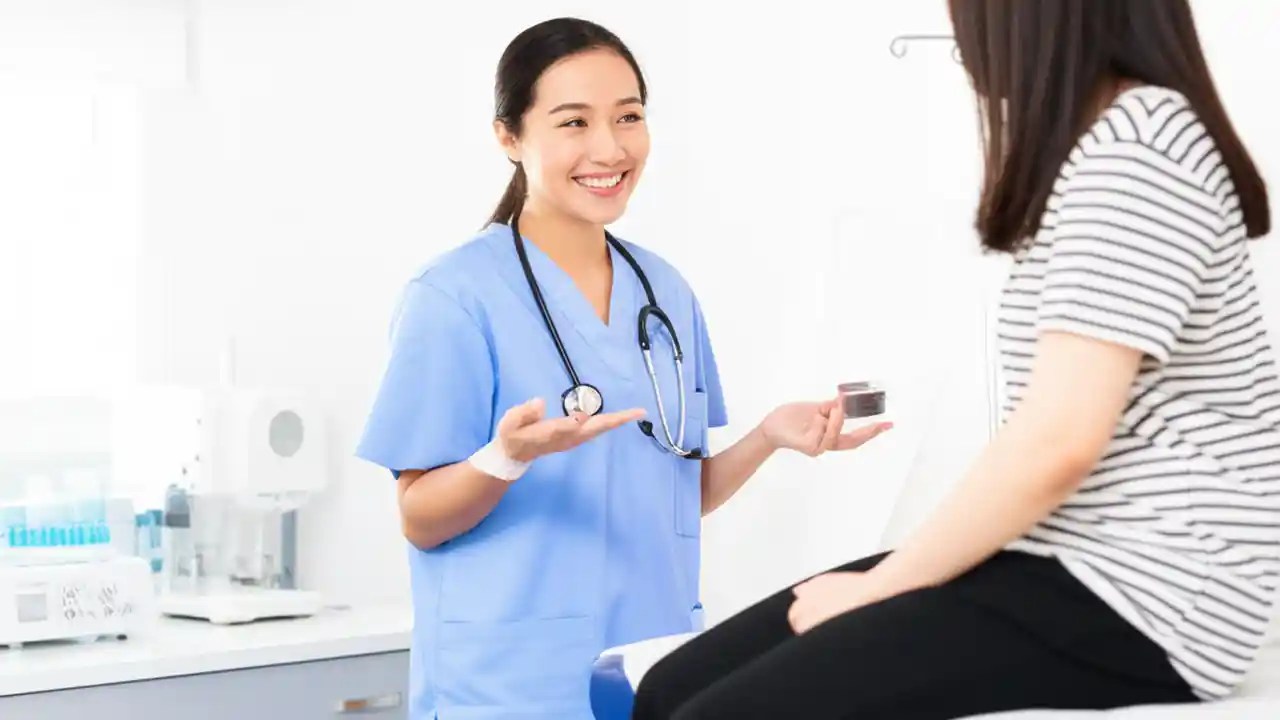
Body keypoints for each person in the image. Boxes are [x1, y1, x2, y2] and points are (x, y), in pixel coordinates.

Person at [631, 1, 1279, 717]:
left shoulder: (1141, 142)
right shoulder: (1100, 145)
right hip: (1058, 562)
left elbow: (1058, 442)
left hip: (1151, 593)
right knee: (666, 693)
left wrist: (882, 587)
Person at [354, 17, 892, 720]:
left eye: (628, 117)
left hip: (652, 667)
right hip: (510, 685)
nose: (609, 148)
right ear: (509, 137)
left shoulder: (664, 293)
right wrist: (506, 458)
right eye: (573, 122)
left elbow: (672, 494)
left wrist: (768, 436)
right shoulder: (453, 297)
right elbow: (419, 517)